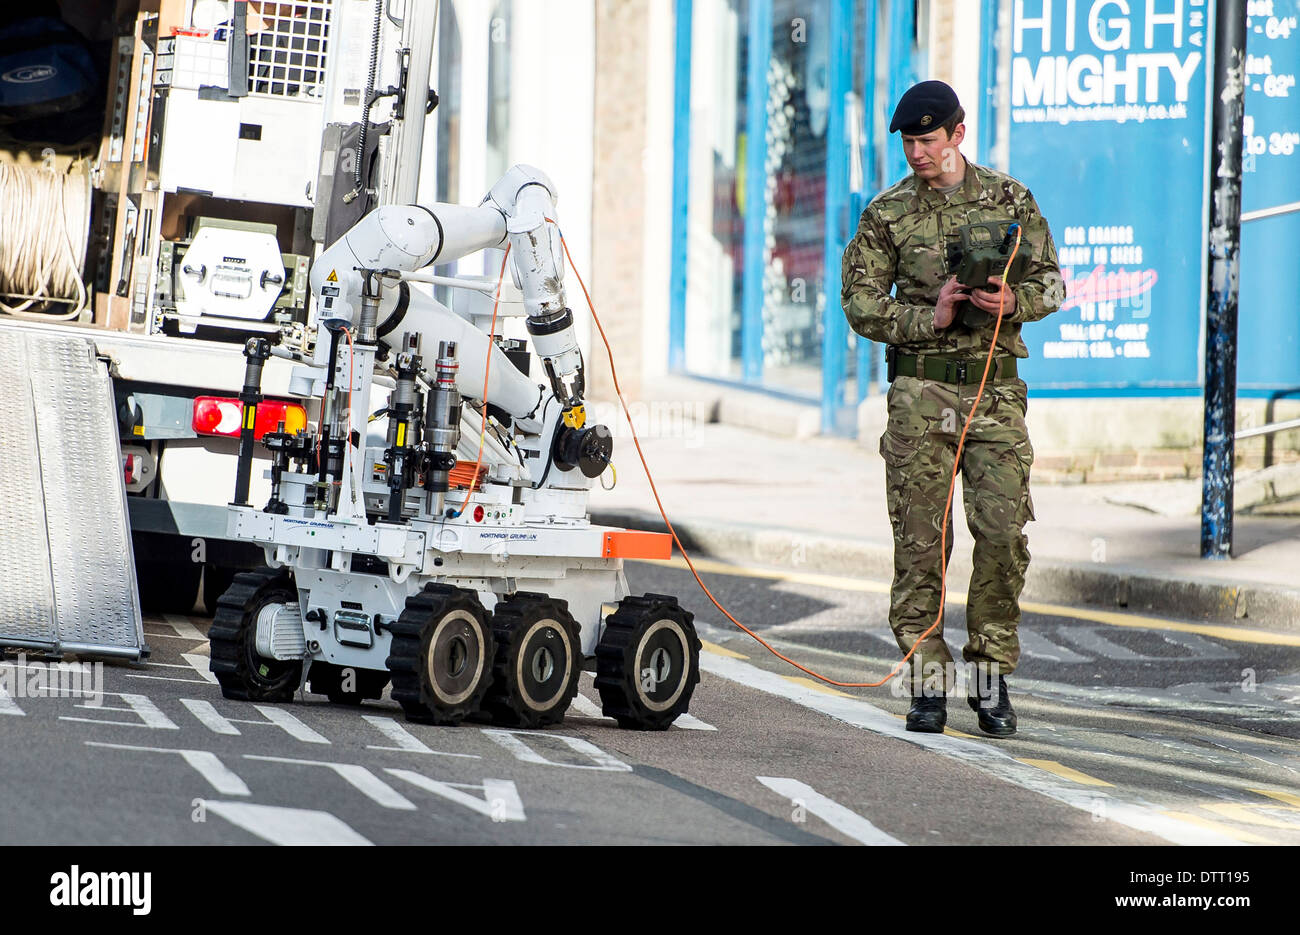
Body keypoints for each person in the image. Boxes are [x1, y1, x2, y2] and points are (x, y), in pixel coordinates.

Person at [840, 80, 1062, 736]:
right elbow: (859, 303)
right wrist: (927, 316)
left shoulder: (1009, 199)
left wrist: (1014, 303)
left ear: (958, 134)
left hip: (995, 393)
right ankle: (927, 682)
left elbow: (1051, 280)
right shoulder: (887, 214)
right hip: (920, 395)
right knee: (920, 543)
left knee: (1002, 536)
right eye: (909, 142)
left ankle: (990, 676)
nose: (917, 153)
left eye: (928, 140)